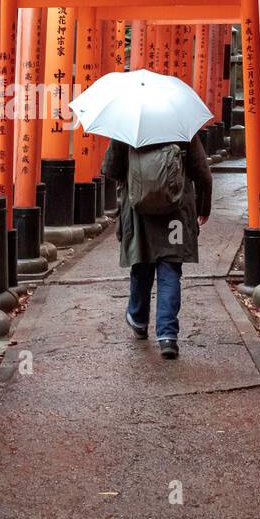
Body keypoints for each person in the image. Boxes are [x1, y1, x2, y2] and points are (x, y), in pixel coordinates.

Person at [100, 133, 213, 359]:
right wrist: (203, 206)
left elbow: (111, 169)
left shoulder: (128, 127)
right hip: (176, 216)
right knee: (170, 268)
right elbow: (202, 173)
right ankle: (168, 336)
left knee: (141, 262)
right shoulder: (182, 128)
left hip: (138, 213)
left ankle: (139, 318)